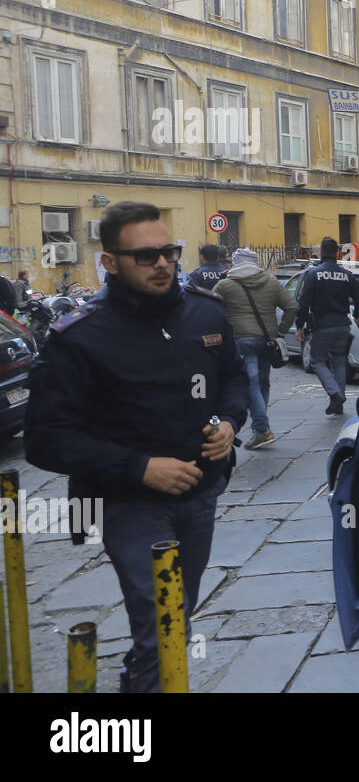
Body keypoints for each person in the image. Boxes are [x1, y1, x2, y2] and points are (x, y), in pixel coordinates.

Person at [23, 201, 247, 692]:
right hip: (125, 501)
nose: (162, 263)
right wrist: (139, 466)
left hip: (200, 491)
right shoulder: (79, 337)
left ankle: (139, 681)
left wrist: (230, 422)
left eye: (168, 252)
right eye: (146, 256)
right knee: (159, 625)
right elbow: (44, 439)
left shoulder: (204, 312)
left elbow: (233, 378)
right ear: (110, 263)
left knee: (178, 618)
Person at [215, 247, 299, 449]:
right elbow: (292, 306)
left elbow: (210, 306)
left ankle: (262, 429)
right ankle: (260, 428)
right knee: (263, 383)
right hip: (267, 339)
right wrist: (281, 329)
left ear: (236, 263)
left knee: (251, 383)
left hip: (242, 338)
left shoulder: (226, 285)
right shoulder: (271, 282)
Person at [295, 237, 359, 415]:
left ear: (320, 252)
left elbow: (303, 303)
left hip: (322, 325)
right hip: (342, 324)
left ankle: (335, 394)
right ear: (337, 253)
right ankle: (338, 403)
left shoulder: (313, 274)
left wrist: (299, 325)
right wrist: (358, 315)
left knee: (317, 361)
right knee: (339, 362)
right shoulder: (346, 274)